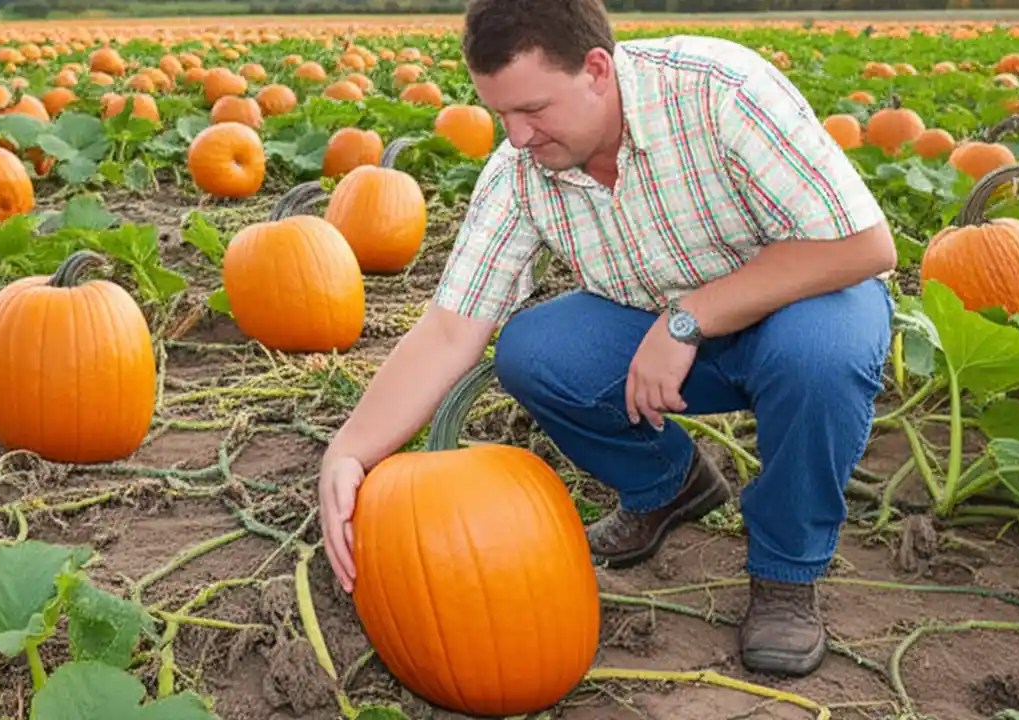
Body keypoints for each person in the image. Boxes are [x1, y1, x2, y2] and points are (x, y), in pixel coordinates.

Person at [318, 0, 896, 678]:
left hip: (803, 307)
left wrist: (690, 317)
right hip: (671, 343)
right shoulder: (519, 173)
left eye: (533, 109)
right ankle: (668, 488)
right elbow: (450, 329)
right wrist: (350, 450)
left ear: (596, 69)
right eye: (501, 114)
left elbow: (864, 244)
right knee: (532, 352)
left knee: (819, 357)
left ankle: (786, 571)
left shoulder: (718, 90)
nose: (517, 135)